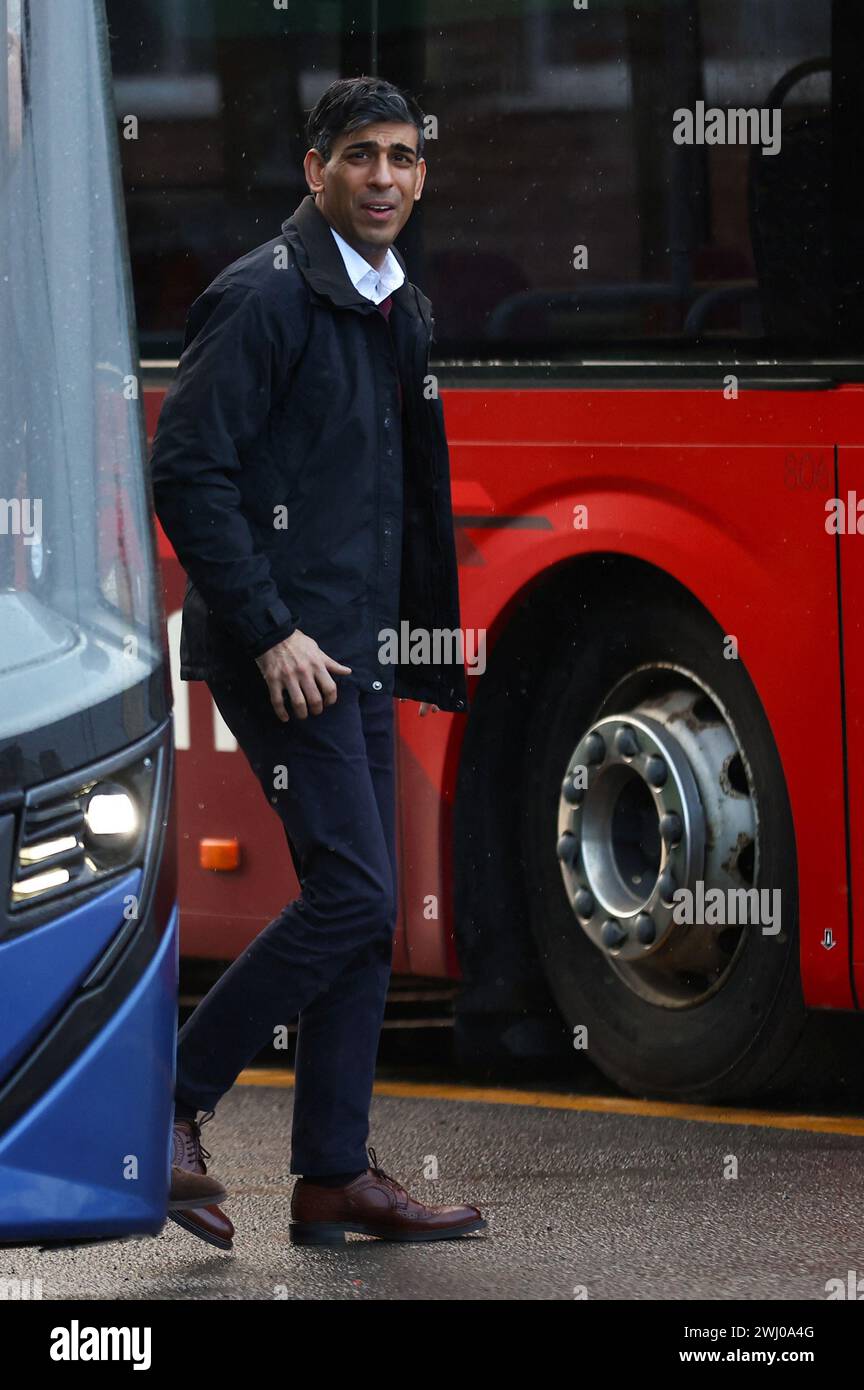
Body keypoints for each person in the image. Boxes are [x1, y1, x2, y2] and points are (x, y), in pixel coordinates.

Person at [149, 75, 486, 1251]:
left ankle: (333, 1174)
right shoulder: (264, 299)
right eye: (360, 157)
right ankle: (172, 1099)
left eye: (402, 157)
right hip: (282, 647)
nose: (384, 177)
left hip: (359, 646)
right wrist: (272, 628)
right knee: (356, 894)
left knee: (365, 912)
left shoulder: (400, 306)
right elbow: (186, 474)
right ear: (314, 170)